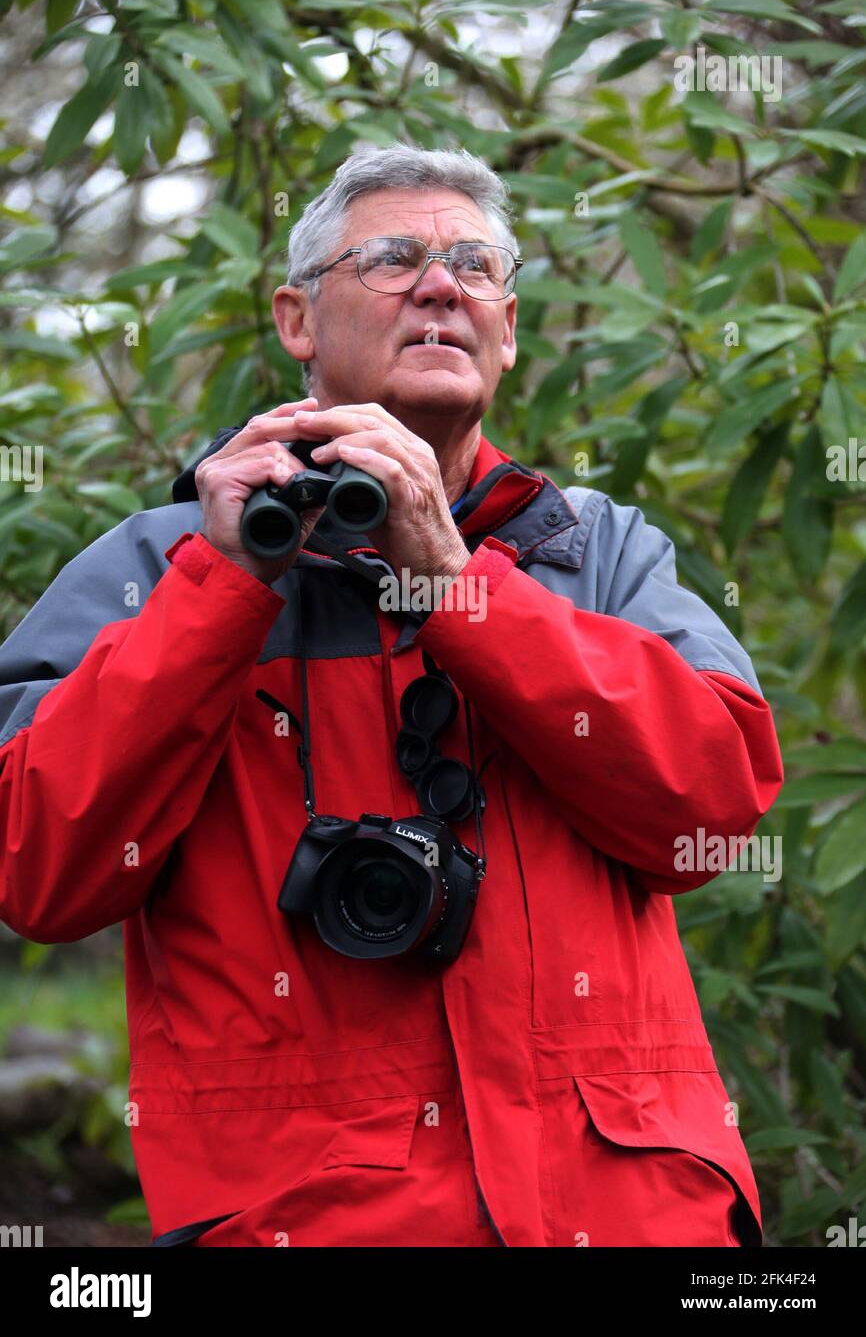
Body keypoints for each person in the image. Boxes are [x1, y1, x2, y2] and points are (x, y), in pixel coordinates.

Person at [0, 143, 784, 1247]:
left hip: (630, 1217)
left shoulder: (597, 553)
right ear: (296, 320)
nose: (440, 284)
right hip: (313, 1221)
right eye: (391, 257)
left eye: (475, 263)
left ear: (506, 327)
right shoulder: (158, 564)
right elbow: (39, 865)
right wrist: (226, 585)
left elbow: (710, 813)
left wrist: (458, 585)